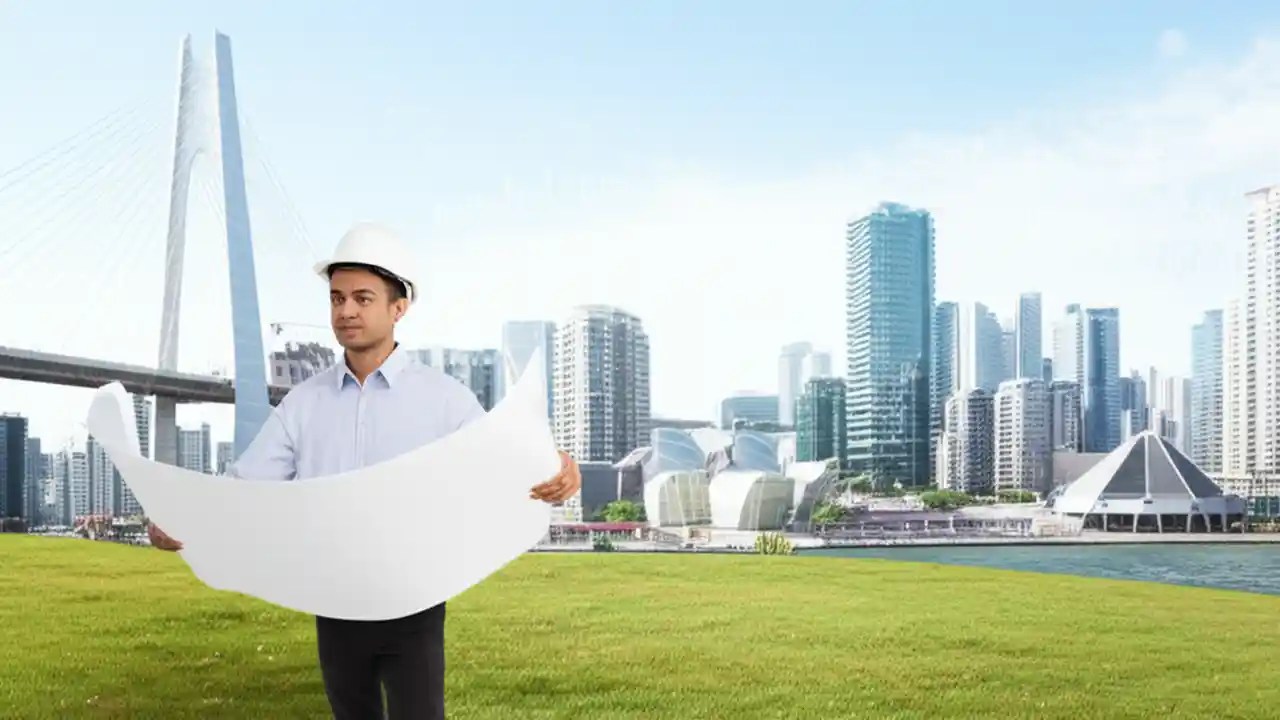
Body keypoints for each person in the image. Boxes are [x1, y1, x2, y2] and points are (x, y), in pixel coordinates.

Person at [148, 222, 581, 720]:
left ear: (399, 308)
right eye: (336, 299)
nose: (346, 311)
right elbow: (246, 488)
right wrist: (182, 518)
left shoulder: (444, 401)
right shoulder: (303, 405)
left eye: (362, 298)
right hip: (333, 601)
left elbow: (504, 468)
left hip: (413, 602)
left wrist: (563, 470)